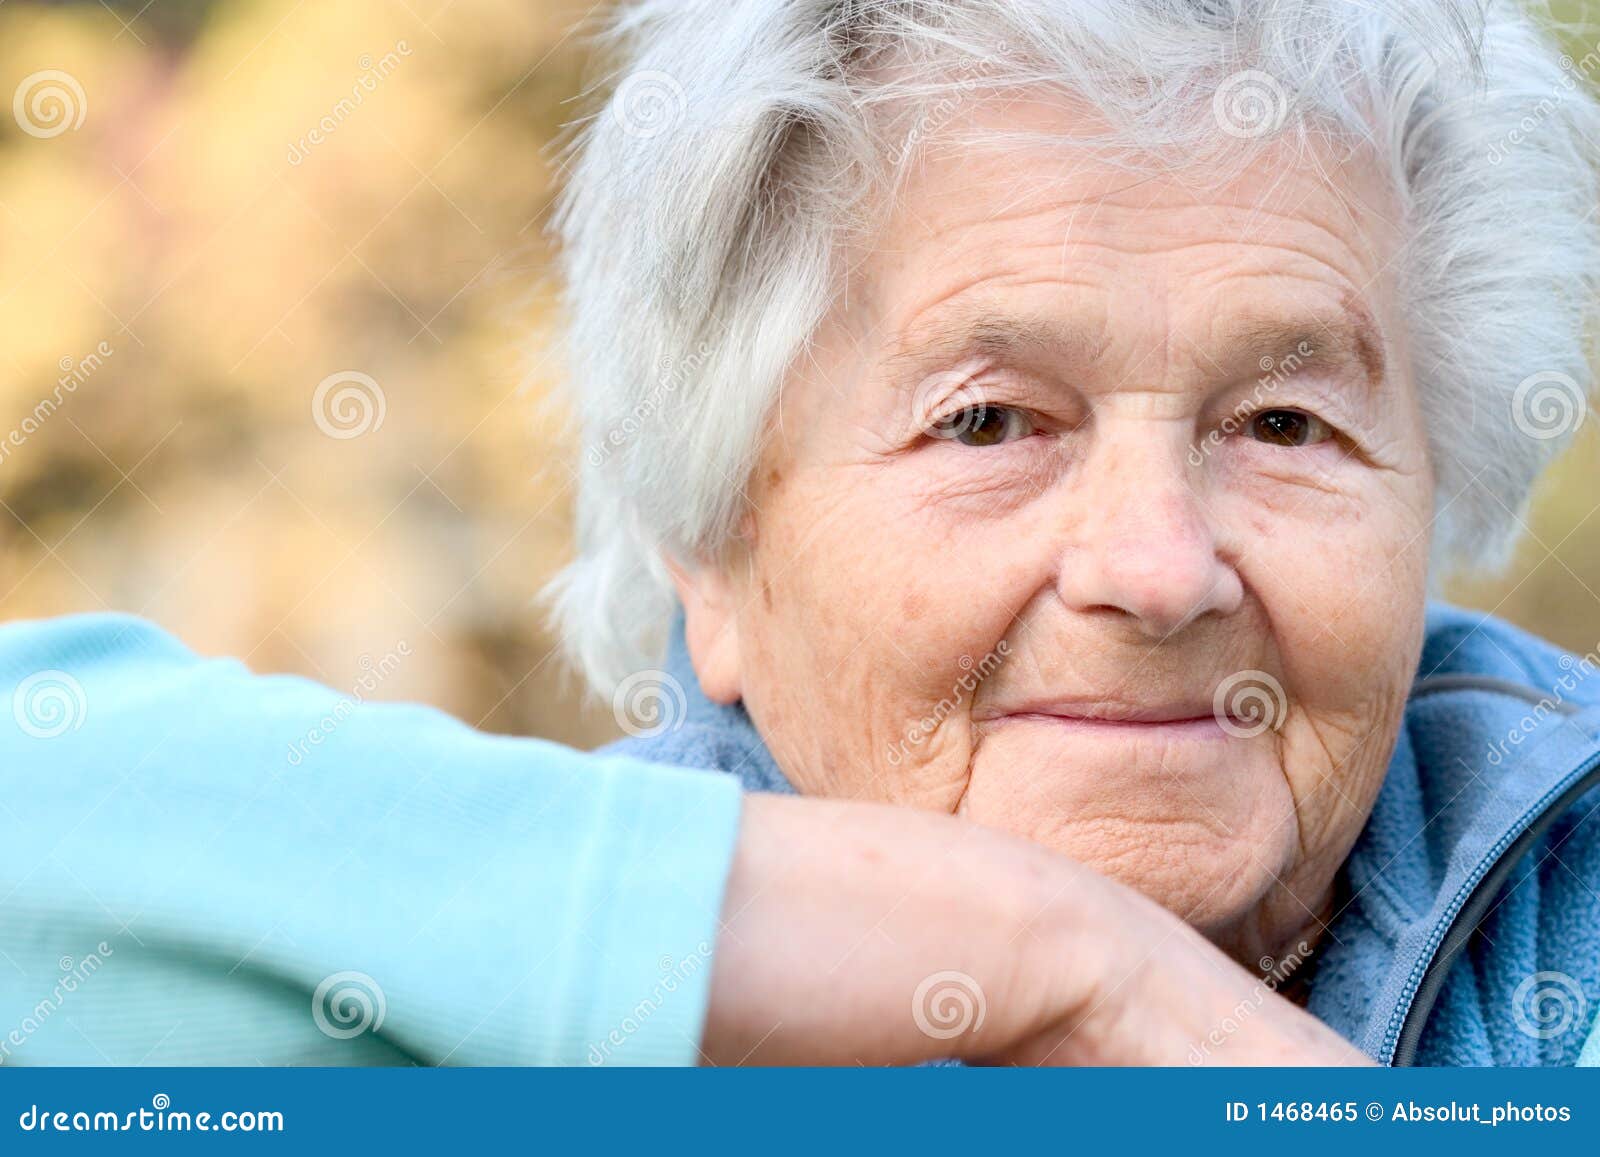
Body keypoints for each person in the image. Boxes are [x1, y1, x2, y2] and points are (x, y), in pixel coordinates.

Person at [550, 0, 1600, 1064]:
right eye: (986, 420)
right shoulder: (544, 1024)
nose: (1159, 570)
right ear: (712, 555)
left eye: (1283, 423)